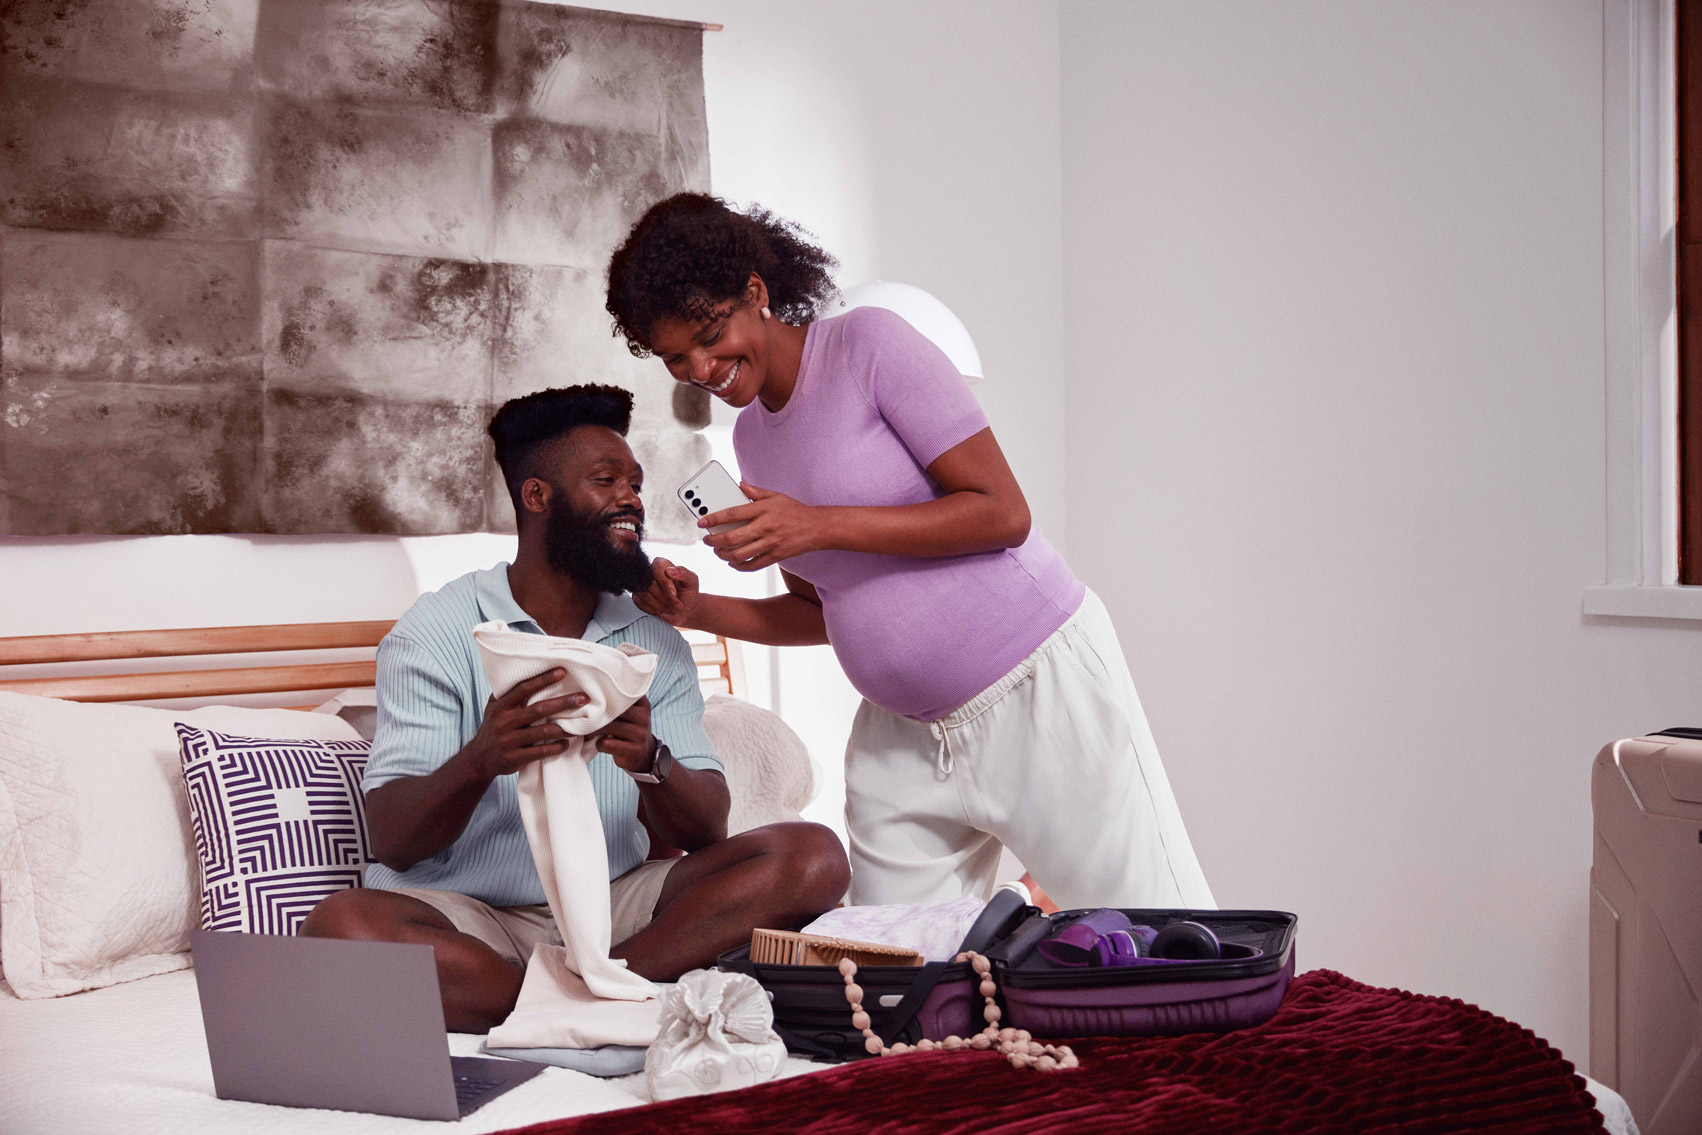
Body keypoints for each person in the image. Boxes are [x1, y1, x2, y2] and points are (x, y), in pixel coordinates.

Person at [606, 193, 1215, 912]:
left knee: (1164, 942)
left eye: (711, 333)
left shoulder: (869, 345)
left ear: (755, 294)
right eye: (678, 356)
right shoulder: (753, 443)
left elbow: (1003, 512)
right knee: (895, 981)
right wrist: (698, 607)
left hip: (1035, 690)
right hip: (904, 741)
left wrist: (817, 524)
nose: (703, 367)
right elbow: (823, 610)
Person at [301, 384, 849, 1032]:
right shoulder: (435, 634)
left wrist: (651, 760)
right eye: (605, 480)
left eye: (635, 483)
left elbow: (706, 832)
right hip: (471, 915)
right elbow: (393, 838)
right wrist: (482, 758)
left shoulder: (654, 638)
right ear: (538, 496)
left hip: (615, 904)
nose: (631, 499)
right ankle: (602, 994)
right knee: (341, 926)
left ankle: (589, 987)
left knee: (814, 855)